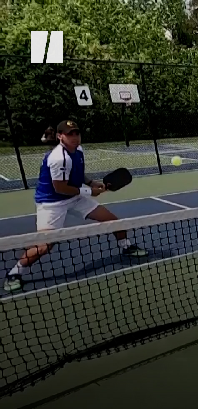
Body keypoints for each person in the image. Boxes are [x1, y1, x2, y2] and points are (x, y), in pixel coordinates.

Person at [3, 120, 148, 293]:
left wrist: (90, 182)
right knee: (44, 246)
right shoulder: (58, 158)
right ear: (60, 136)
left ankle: (126, 246)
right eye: (69, 134)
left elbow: (77, 172)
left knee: (114, 222)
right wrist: (89, 191)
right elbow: (60, 188)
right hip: (52, 203)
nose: (74, 137)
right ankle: (15, 272)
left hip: (75, 197)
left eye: (76, 133)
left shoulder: (78, 150)